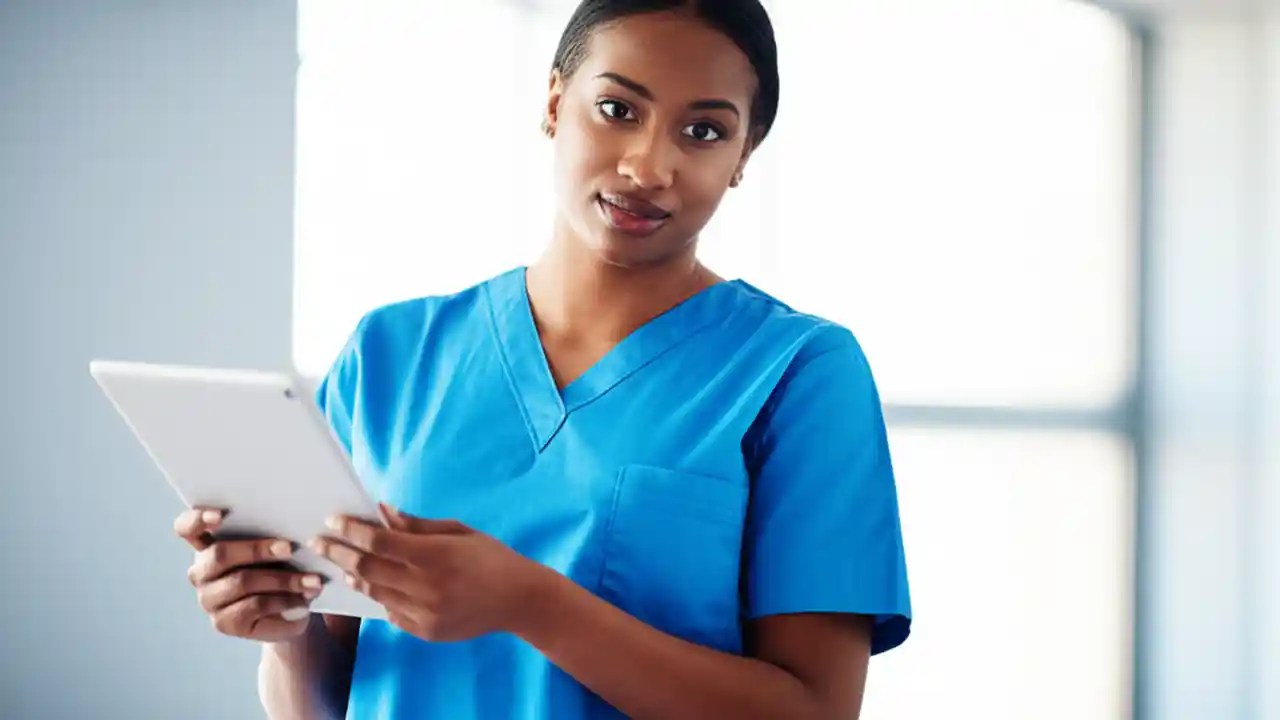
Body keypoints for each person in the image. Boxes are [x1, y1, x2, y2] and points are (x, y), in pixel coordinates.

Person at [173, 1, 912, 717]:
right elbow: (329, 702)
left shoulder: (799, 372)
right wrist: (285, 631)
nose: (648, 166)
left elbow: (813, 710)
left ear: (743, 156)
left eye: (703, 131)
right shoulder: (390, 355)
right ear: (556, 102)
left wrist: (530, 601)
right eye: (618, 110)